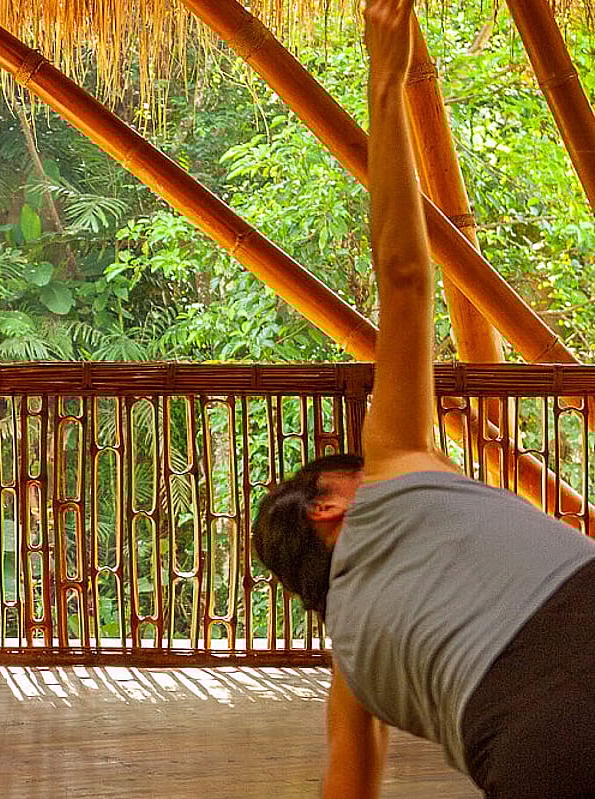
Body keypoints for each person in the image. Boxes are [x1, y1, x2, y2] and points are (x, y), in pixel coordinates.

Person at [250, 1, 595, 797]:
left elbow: (348, 788)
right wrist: (385, 77)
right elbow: (405, 278)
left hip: (530, 753)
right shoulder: (393, 470)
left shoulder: (352, 670)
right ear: (327, 505)